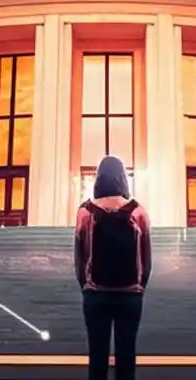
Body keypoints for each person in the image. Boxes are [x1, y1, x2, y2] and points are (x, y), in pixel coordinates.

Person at [74, 155, 152, 380]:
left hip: (95, 295)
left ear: (99, 178)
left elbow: (79, 258)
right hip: (130, 296)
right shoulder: (138, 212)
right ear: (123, 178)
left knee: (97, 360)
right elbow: (147, 259)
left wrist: (87, 287)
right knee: (126, 359)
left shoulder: (85, 212)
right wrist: (139, 287)